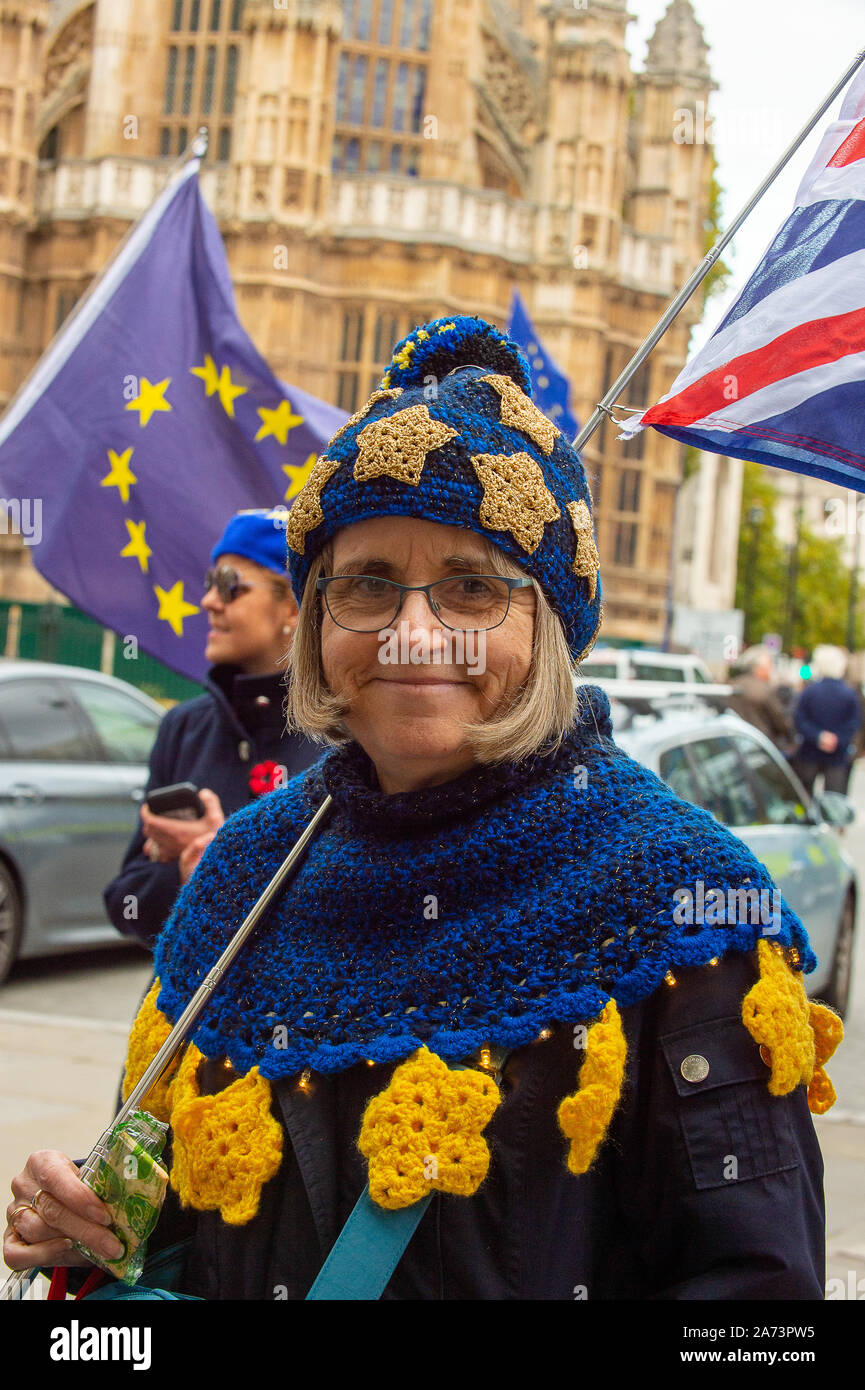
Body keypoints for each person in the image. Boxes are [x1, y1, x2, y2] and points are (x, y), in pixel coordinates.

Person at [5, 316, 840, 1300]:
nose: (412, 632)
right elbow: (154, 1249)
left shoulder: (681, 901)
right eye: (367, 584)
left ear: (548, 624)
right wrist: (90, 1246)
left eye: (471, 587)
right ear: (317, 624)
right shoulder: (244, 874)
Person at [103, 507, 321, 950]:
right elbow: (124, 903)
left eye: (229, 586)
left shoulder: (344, 735)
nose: (208, 601)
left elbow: (356, 910)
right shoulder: (183, 727)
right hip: (181, 1012)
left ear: (293, 607)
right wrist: (182, 873)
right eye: (209, 584)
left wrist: (218, 855)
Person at [793, 644, 862, 796]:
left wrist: (819, 736)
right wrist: (837, 738)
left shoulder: (810, 692)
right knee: (834, 800)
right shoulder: (849, 694)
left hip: (810, 751)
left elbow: (799, 719)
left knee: (805, 797)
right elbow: (854, 722)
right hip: (837, 754)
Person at [727, 645, 795, 754]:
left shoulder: (732, 684)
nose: (771, 670)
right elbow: (779, 719)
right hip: (761, 745)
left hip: (733, 744)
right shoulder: (765, 690)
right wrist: (790, 739)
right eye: (769, 666)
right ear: (760, 668)